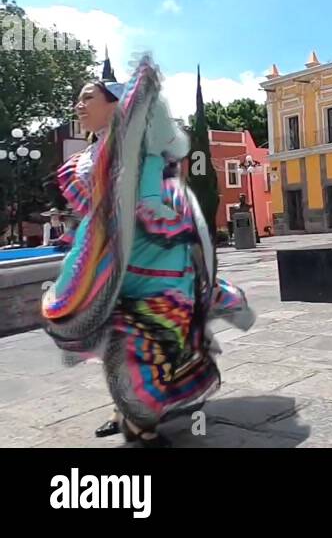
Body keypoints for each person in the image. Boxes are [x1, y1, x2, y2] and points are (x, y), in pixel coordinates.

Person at [39, 58, 255, 447]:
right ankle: (128, 408)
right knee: (114, 338)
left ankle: (142, 421)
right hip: (102, 259)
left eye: (88, 97)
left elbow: (152, 203)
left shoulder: (141, 149)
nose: (79, 105)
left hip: (147, 255)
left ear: (114, 104)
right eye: (78, 99)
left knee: (144, 336)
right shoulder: (85, 159)